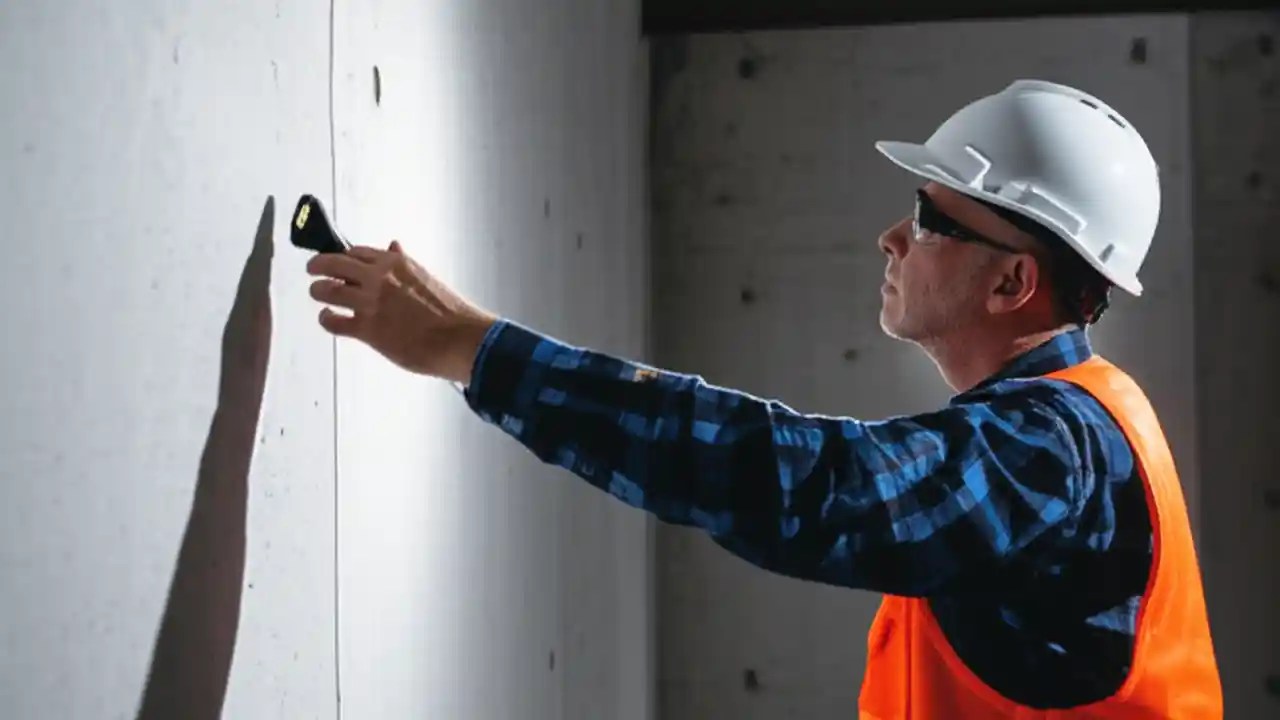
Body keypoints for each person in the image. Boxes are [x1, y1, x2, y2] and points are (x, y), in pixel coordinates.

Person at [303, 79, 1221, 717]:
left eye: (935, 218)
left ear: (1013, 282)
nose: (892, 235)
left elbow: (809, 486)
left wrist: (479, 352)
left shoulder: (1054, 454)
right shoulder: (1074, 428)